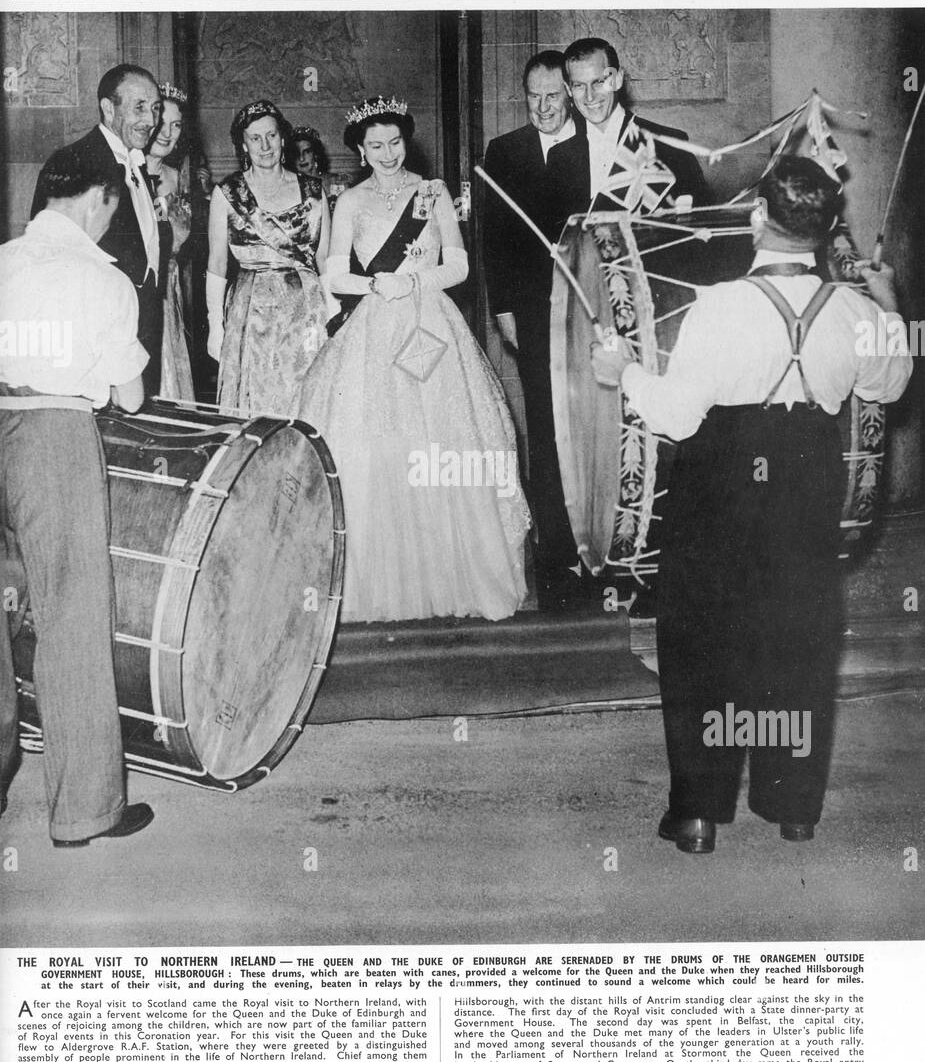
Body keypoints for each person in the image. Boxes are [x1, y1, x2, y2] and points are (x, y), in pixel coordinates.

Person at [591, 156, 912, 853]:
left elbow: (675, 417)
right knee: (798, 635)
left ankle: (698, 814)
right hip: (806, 471)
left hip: (721, 472)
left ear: (757, 217)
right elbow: (888, 385)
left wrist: (626, 373)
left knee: (700, 639)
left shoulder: (718, 307)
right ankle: (793, 807)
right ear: (828, 230)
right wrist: (887, 302)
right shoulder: (855, 311)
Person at [299, 95, 530, 623]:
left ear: (407, 140)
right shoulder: (351, 201)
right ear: (359, 149)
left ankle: (456, 575)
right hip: (377, 322)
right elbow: (333, 275)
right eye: (375, 145)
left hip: (433, 322)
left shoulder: (432, 192)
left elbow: (460, 266)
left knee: (442, 440)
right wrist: (377, 285)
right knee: (382, 442)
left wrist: (414, 281)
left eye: (395, 142)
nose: (387, 154)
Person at [0, 145, 154, 846]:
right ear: (97, 201)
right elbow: (130, 392)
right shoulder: (101, 280)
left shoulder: (3, 259)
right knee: (70, 610)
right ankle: (84, 810)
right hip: (54, 435)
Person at [482, 51, 586, 612]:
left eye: (553, 96)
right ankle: (556, 549)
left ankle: (594, 540)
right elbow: (495, 242)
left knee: (589, 425)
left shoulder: (594, 147)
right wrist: (503, 310)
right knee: (544, 428)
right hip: (529, 313)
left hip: (586, 313)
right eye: (533, 97)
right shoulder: (505, 152)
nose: (543, 108)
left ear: (569, 94)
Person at [31, 63, 164, 397]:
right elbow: (47, 254)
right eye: (139, 107)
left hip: (140, 325)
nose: (150, 120)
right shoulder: (73, 161)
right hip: (97, 335)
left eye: (155, 109)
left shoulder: (136, 162)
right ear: (108, 108)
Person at [206, 99, 331, 416]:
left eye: (271, 136)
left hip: (305, 306)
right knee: (256, 400)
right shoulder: (228, 194)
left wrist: (332, 310)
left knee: (305, 396)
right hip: (252, 310)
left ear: (283, 138)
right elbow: (217, 265)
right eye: (255, 138)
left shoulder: (314, 191)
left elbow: (324, 260)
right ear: (244, 145)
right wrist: (214, 327)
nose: (265, 146)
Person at [547, 36, 709, 227]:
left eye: (599, 82)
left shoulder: (669, 146)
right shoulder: (559, 157)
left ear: (617, 79)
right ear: (569, 90)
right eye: (579, 85)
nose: (590, 96)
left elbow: (698, 232)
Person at [146, 82, 195, 399]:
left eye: (176, 125)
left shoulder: (180, 178)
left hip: (171, 290)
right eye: (161, 122)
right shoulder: (126, 173)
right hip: (143, 290)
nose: (167, 133)